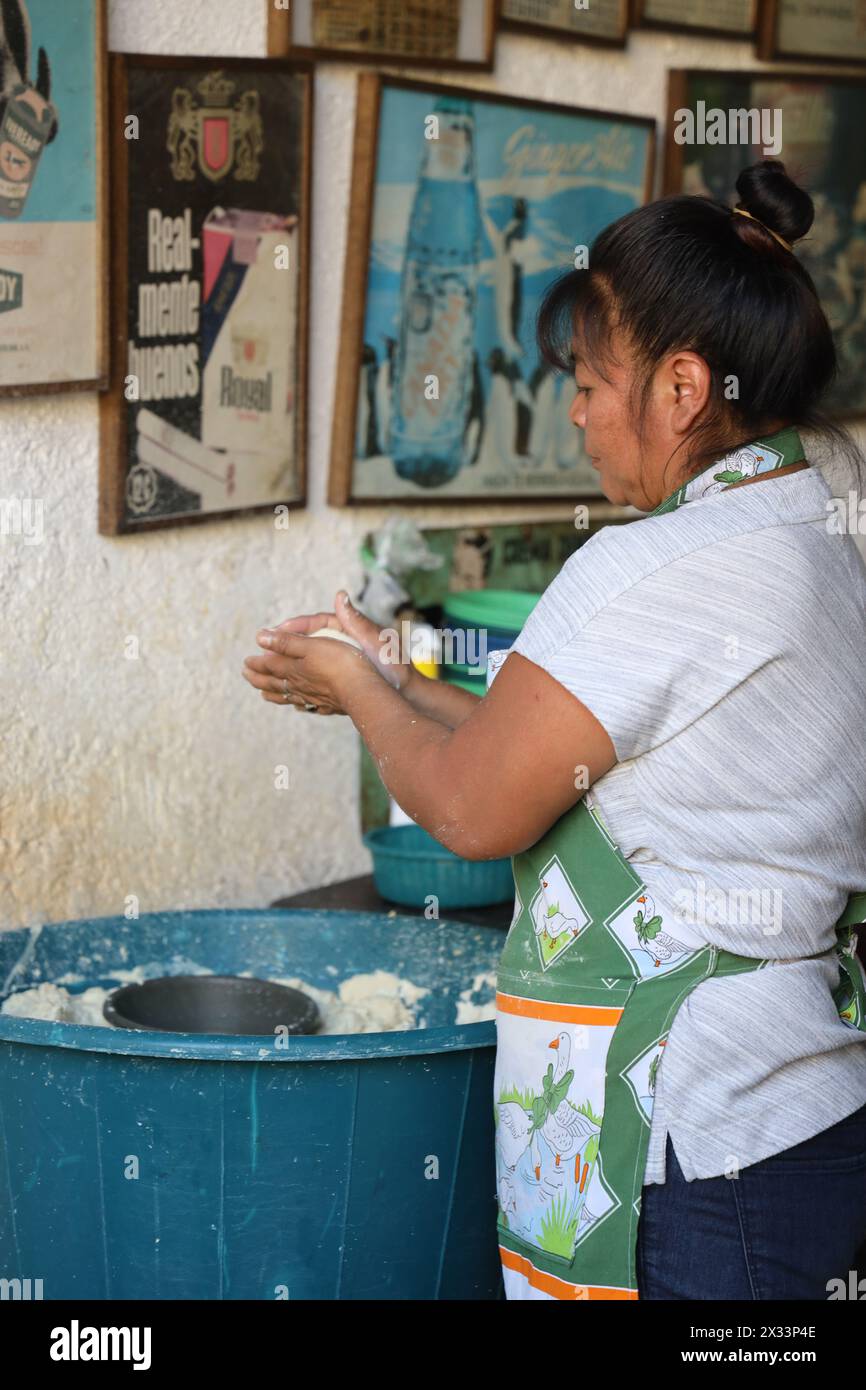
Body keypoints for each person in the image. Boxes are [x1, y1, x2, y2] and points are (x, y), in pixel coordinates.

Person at [243, 160, 866, 1301]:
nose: (572, 411)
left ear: (682, 387)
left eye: (588, 380)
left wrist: (357, 691)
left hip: (693, 1149)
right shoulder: (811, 510)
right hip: (804, 1117)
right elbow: (557, 750)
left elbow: (474, 807)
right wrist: (390, 677)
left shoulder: (652, 565)